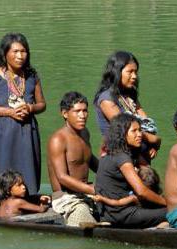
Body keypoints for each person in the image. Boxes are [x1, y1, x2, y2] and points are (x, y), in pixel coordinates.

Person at [0, 33, 46, 201]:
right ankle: (0, 199)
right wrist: (9, 112)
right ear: (5, 53)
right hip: (2, 132)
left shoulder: (31, 76)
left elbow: (42, 104)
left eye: (23, 51)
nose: (20, 56)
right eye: (15, 52)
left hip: (27, 131)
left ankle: (27, 197)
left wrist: (30, 107)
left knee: (28, 163)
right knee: (2, 163)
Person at [94, 113, 168, 228]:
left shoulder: (115, 152)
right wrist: (167, 202)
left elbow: (156, 141)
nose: (139, 135)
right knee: (173, 211)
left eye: (140, 130)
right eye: (134, 131)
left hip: (112, 212)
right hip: (121, 214)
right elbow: (141, 192)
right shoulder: (122, 157)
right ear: (123, 134)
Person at [93, 50, 160, 162]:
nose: (134, 76)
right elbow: (126, 129)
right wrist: (155, 140)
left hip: (138, 153)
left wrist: (153, 144)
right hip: (119, 157)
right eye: (130, 72)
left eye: (136, 72)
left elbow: (147, 123)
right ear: (117, 72)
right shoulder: (106, 99)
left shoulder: (129, 95)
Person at [46, 91, 101, 226]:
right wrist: (93, 190)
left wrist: (112, 175)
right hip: (66, 198)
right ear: (65, 114)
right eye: (77, 111)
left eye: (85, 111)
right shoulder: (58, 140)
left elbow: (89, 159)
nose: (82, 116)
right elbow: (62, 177)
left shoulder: (85, 133)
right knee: (84, 215)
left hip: (86, 193)